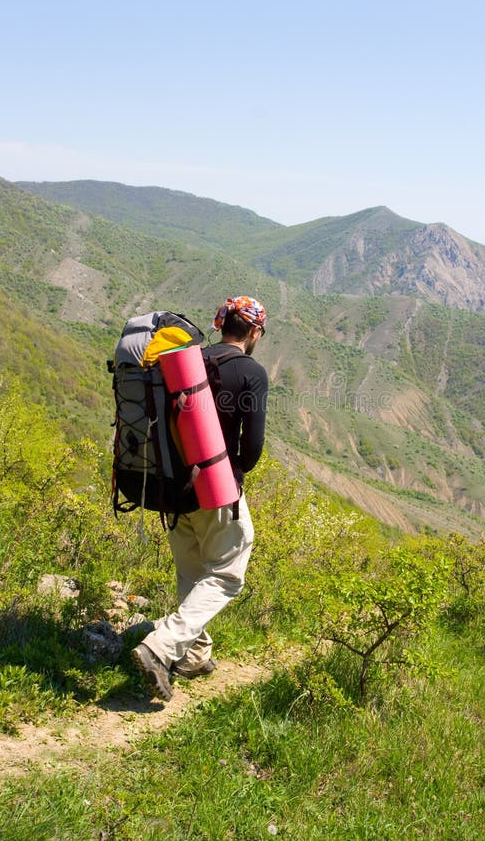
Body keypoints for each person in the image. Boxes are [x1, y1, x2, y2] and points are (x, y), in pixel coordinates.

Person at [132, 296, 268, 701]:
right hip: (214, 487)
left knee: (192, 573)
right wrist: (230, 472)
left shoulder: (186, 362)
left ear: (221, 324)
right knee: (227, 574)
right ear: (254, 331)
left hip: (171, 489)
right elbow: (252, 448)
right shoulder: (252, 373)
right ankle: (160, 646)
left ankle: (193, 656)